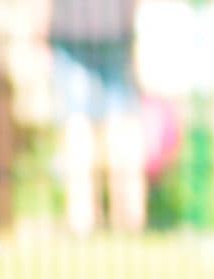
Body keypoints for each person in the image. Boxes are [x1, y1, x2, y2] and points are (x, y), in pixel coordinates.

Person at [51, 0, 144, 232]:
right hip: (116, 20)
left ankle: (83, 218)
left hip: (73, 23)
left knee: (78, 121)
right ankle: (127, 217)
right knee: (121, 119)